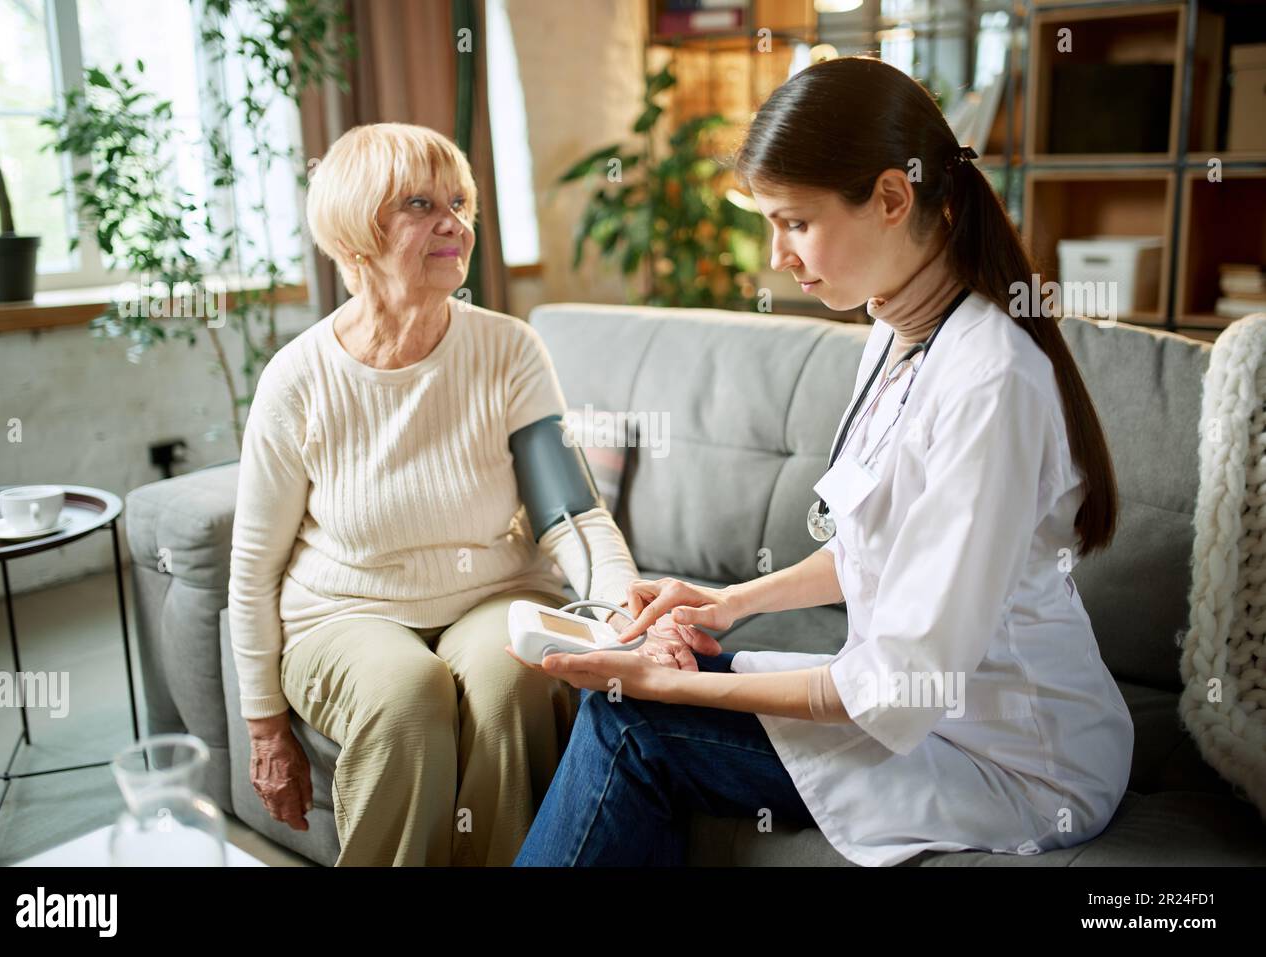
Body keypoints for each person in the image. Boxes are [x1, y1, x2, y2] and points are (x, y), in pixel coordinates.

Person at [508, 56, 1134, 867]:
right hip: (925, 710)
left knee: (634, 712)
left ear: (891, 197)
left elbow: (899, 684)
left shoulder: (992, 384)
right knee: (653, 676)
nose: (778, 254)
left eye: (795, 222)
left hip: (1012, 757)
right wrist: (723, 603)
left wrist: (674, 688)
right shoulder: (896, 330)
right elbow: (874, 545)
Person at [227, 122, 647, 866]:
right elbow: (254, 565)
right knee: (407, 695)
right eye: (420, 204)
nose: (455, 222)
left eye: (461, 202)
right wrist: (265, 728)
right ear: (357, 233)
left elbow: (570, 512)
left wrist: (622, 609)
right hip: (344, 609)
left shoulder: (509, 349)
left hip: (491, 592)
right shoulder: (297, 378)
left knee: (514, 680)